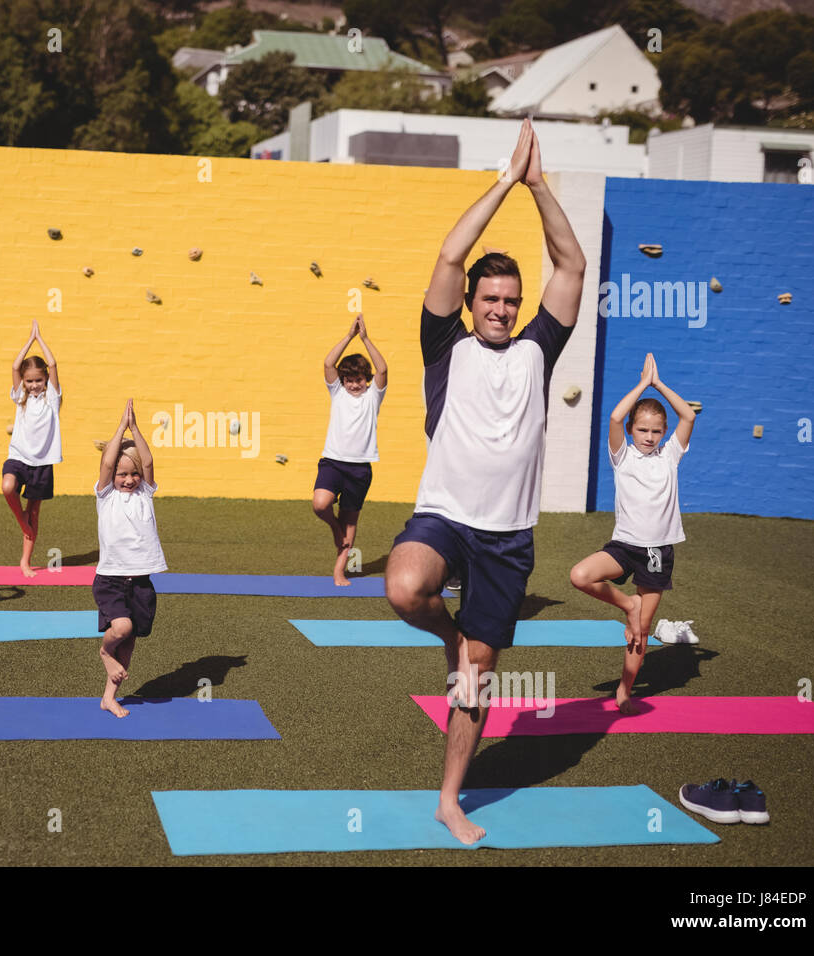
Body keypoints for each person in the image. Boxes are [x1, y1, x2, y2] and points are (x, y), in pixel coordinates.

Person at [384, 118, 586, 844]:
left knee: (476, 679)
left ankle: (449, 799)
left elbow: (572, 268)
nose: (501, 308)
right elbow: (448, 253)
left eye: (509, 298)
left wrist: (539, 187)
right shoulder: (443, 345)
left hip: (507, 539)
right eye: (489, 298)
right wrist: (504, 179)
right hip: (445, 516)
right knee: (405, 586)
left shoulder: (539, 348)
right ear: (471, 303)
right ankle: (452, 636)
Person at [570, 353, 695, 713]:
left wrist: (659, 385)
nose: (650, 436)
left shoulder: (670, 455)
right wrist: (642, 384)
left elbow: (687, 415)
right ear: (631, 430)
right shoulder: (621, 456)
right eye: (642, 429)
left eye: (657, 430)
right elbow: (614, 416)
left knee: (641, 631)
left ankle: (625, 689)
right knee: (580, 575)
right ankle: (628, 605)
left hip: (657, 552)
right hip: (624, 546)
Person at [93, 400, 168, 718]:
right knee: (120, 630)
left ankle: (109, 697)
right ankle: (104, 651)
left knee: (130, 639)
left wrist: (136, 429)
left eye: (133, 474)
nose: (128, 479)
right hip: (110, 578)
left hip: (140, 580)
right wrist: (120, 429)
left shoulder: (145, 494)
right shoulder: (105, 495)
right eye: (122, 474)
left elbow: (148, 461)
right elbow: (108, 465)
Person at [313, 312, 387, 585]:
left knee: (351, 520)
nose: (354, 384)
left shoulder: (373, 397)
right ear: (342, 381)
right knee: (320, 504)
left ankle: (339, 571)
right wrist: (349, 336)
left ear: (365, 379)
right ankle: (334, 527)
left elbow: (382, 370)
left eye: (358, 379)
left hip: (360, 469)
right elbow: (328, 362)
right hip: (333, 462)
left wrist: (366, 339)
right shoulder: (337, 392)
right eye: (349, 380)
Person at [3, 320, 62, 578]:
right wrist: (30, 339)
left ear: (45, 380)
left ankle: (25, 562)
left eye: (38, 380)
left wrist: (42, 340)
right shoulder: (20, 399)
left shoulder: (52, 399)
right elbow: (16, 366)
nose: (34, 385)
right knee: (7, 487)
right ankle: (20, 519)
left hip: (43, 462)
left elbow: (53, 364)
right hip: (19, 456)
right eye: (29, 381)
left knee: (34, 513)